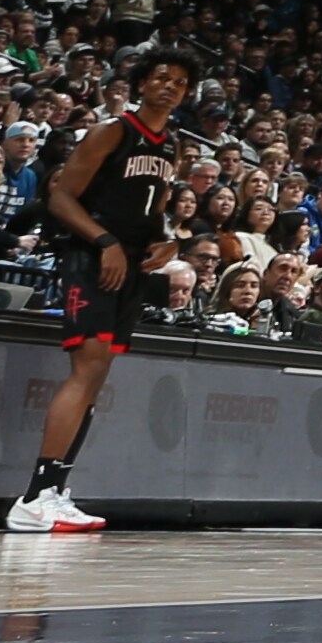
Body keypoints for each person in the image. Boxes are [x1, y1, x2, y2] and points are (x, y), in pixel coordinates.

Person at [13, 40, 194, 535]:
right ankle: (33, 496)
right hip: (91, 259)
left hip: (131, 265)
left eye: (179, 82)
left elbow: (152, 210)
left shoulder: (169, 146)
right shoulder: (111, 132)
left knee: (97, 376)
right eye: (161, 77)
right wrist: (106, 241)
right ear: (140, 84)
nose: (170, 87)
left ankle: (55, 491)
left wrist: (167, 244)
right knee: (86, 368)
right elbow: (61, 197)